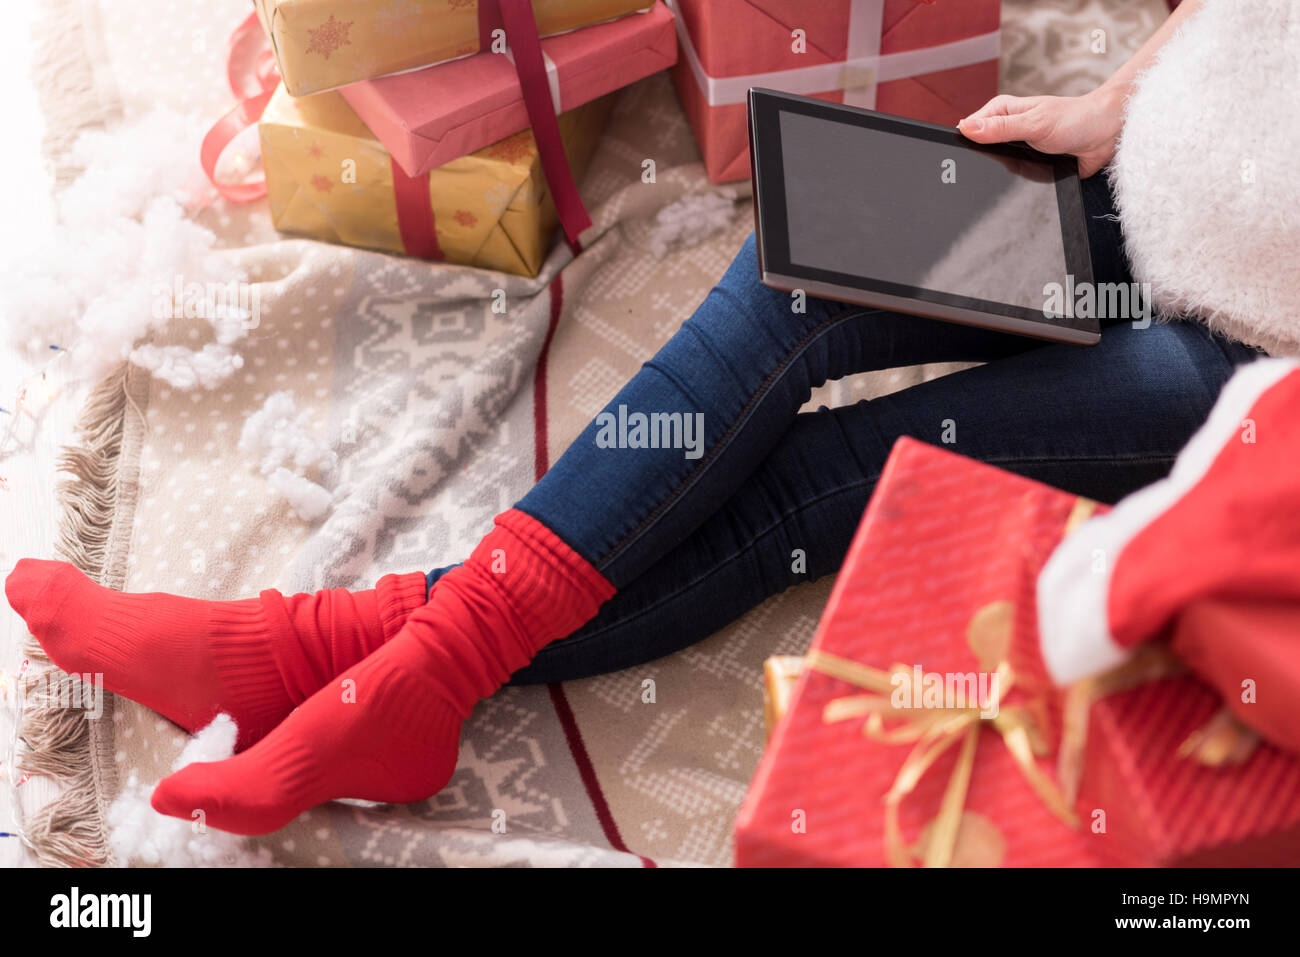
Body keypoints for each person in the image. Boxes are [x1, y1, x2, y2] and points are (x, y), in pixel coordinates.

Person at [3, 0, 1268, 835]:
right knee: (798, 258)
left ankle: (342, 655)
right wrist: (1119, 105)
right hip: (1144, 195)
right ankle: (375, 665)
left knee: (847, 469)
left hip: (1252, 368)